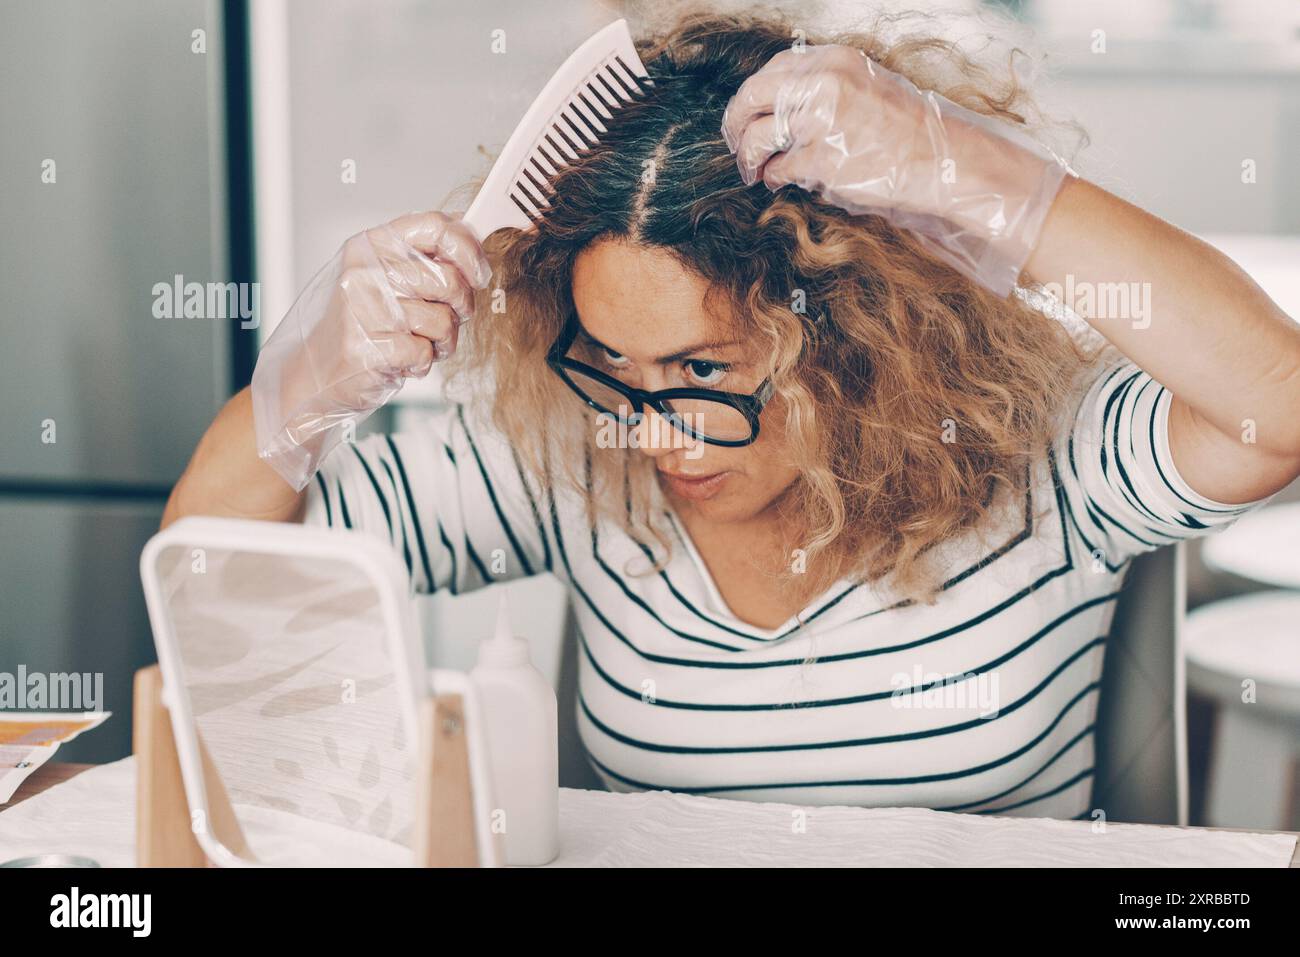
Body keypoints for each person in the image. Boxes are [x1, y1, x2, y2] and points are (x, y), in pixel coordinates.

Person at [163, 11, 1300, 819]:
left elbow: (1278, 408)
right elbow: (217, 581)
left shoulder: (1030, 456)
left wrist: (980, 179)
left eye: (704, 373)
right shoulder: (573, 454)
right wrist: (301, 387)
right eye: (615, 365)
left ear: (858, 337)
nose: (653, 435)